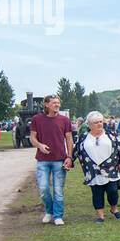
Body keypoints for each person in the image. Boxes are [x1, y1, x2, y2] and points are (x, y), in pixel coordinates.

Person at [30, 95, 74, 225]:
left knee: (58, 190)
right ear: (46, 105)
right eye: (54, 103)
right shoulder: (37, 119)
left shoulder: (64, 120)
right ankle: (49, 211)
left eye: (58, 102)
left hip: (59, 160)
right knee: (43, 189)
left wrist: (69, 157)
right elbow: (33, 138)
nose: (57, 105)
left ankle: (58, 216)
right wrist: (40, 145)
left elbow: (69, 139)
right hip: (42, 160)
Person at [75, 112, 120, 223]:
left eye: (100, 122)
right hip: (93, 170)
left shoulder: (111, 134)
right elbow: (77, 150)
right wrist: (69, 160)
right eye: (96, 122)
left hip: (110, 168)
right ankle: (100, 215)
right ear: (89, 124)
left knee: (112, 191)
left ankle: (114, 209)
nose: (99, 124)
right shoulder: (83, 137)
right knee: (97, 192)